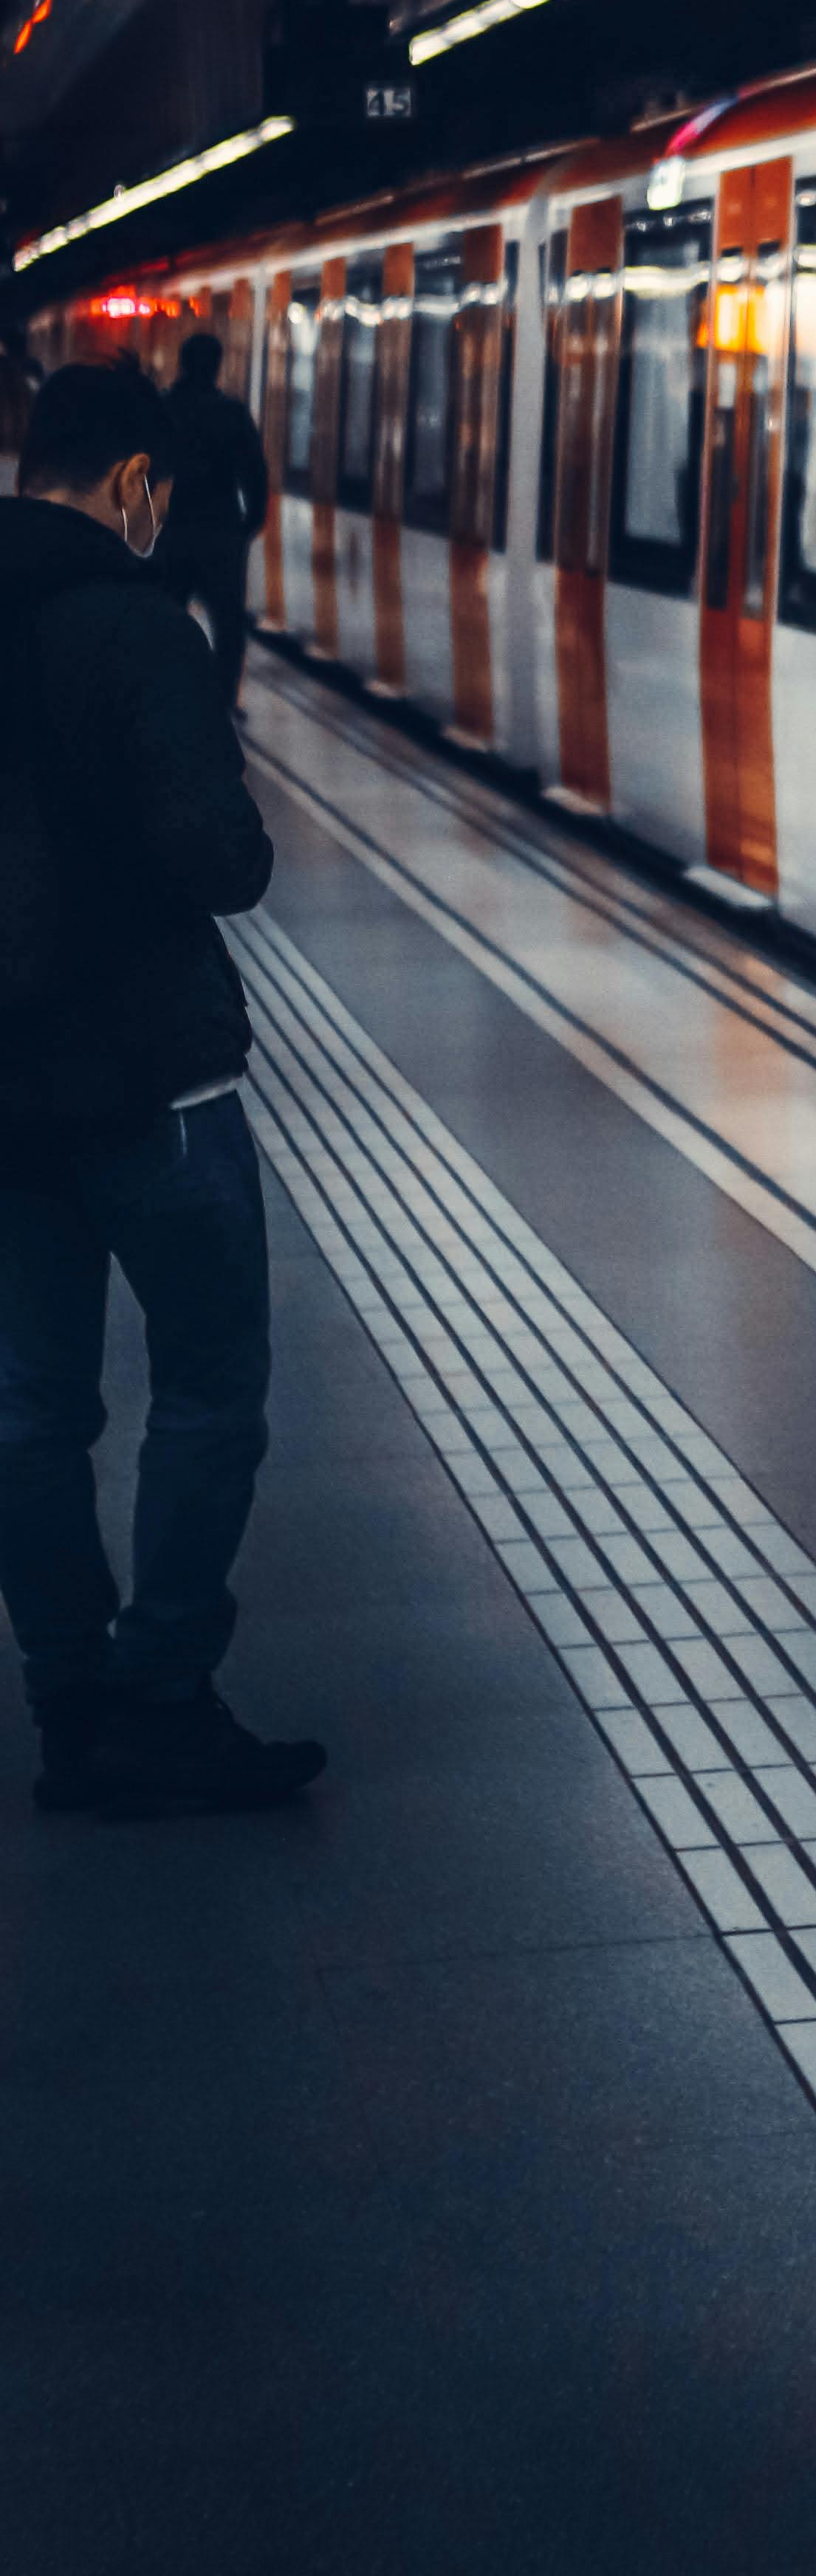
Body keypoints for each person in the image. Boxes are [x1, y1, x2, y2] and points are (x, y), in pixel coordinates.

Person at [0, 361, 323, 1816]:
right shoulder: (141, 630)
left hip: (6, 1088)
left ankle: (68, 1701)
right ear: (135, 482)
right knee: (207, 1387)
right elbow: (225, 864)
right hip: (154, 1080)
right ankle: (166, 1684)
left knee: (30, 1407)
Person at [153, 324, 271, 703]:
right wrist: (248, 524)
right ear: (217, 367)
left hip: (169, 530)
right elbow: (255, 473)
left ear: (182, 364)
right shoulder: (232, 414)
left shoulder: (161, 409)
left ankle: (162, 689)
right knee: (228, 624)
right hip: (220, 532)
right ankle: (224, 698)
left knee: (164, 615)